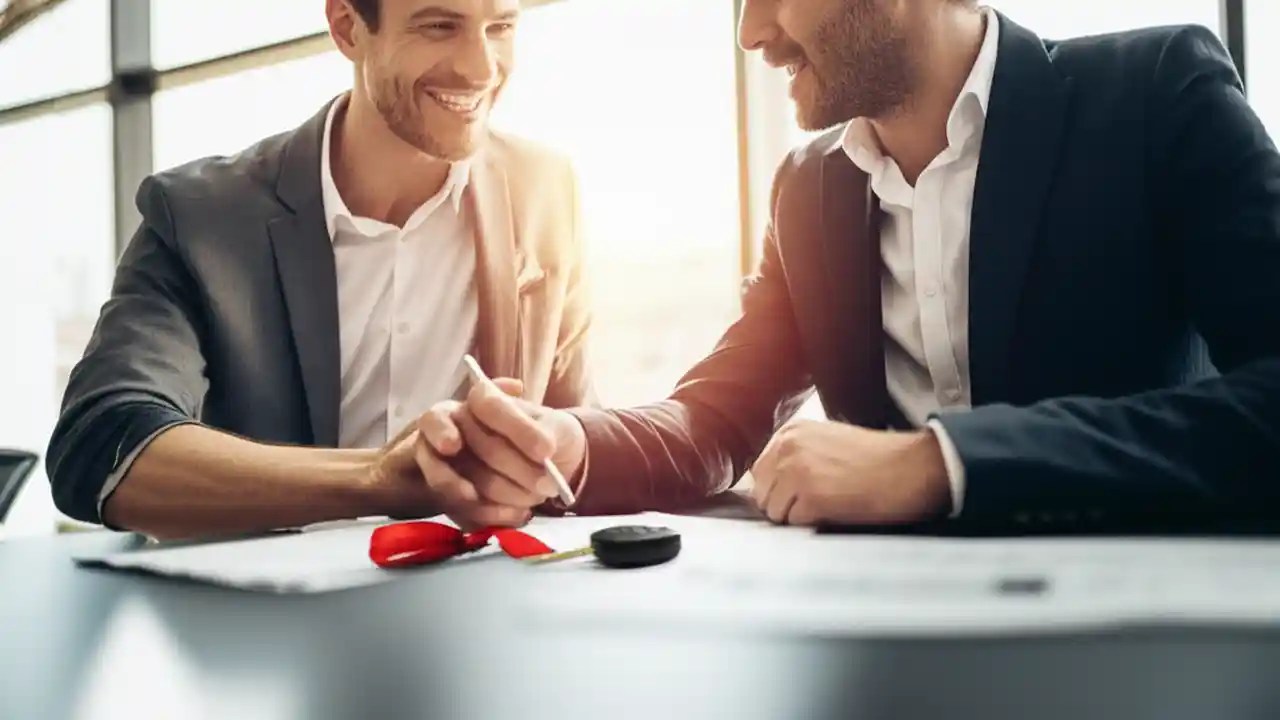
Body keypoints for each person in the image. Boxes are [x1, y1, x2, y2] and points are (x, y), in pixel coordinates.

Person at [420, 0, 1280, 532]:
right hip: (886, 650)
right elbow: (714, 421)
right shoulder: (809, 190)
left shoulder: (1156, 94)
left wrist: (938, 464)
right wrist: (566, 444)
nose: (752, 33)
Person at [46, 0, 593, 539]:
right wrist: (378, 478)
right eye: (438, 26)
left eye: (500, 27)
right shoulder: (199, 216)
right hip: (257, 595)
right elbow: (100, 446)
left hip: (478, 586)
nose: (480, 68)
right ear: (348, 28)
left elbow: (575, 439)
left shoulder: (544, 190)